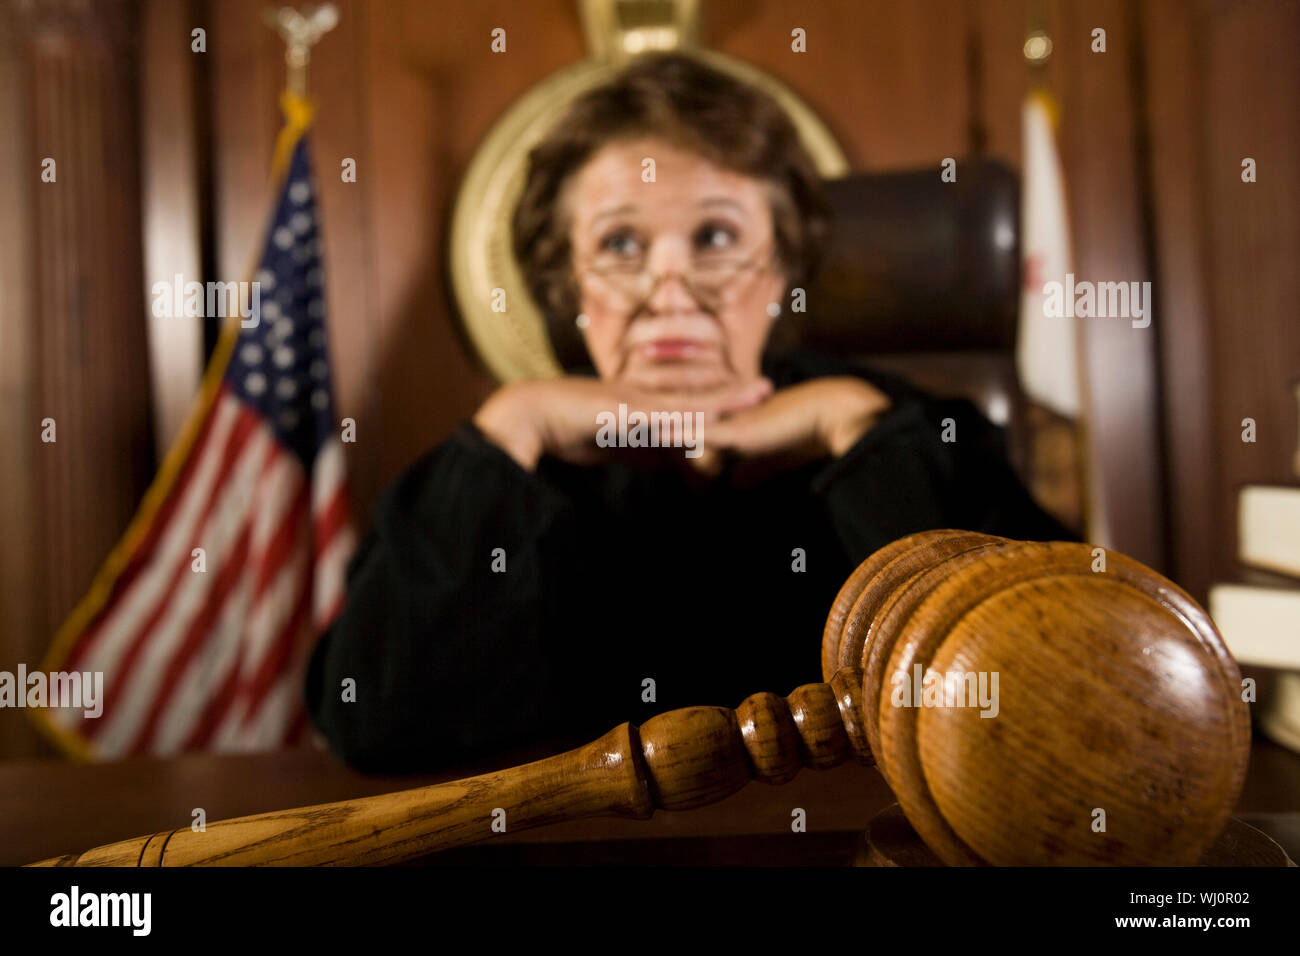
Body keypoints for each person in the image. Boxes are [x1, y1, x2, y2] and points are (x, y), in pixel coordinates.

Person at [305, 52, 1074, 773]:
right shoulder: (504, 468)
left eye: (714, 237)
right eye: (620, 244)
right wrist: (516, 422)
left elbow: (1045, 698)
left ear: (781, 272)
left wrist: (855, 430)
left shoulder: (910, 430)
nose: (669, 288)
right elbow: (375, 725)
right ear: (567, 288)